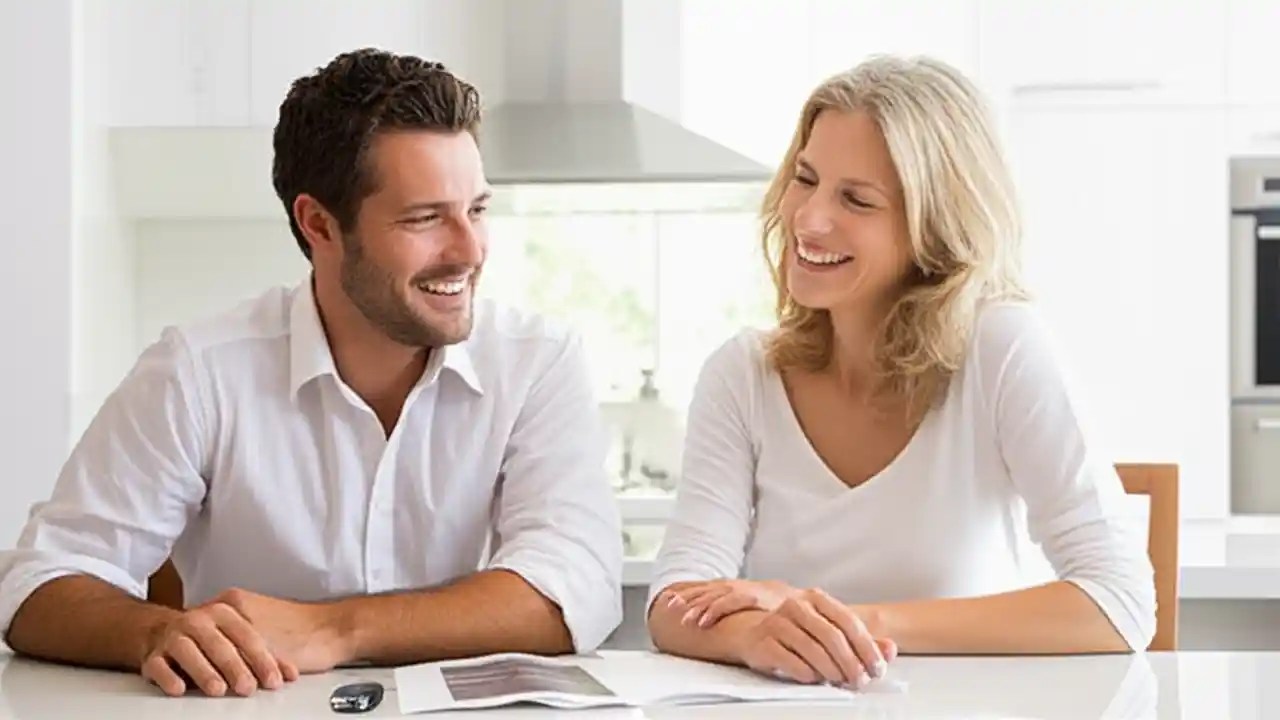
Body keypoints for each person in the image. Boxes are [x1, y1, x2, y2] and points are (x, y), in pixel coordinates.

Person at [0, 49, 623, 697]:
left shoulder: (536, 359)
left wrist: (333, 629)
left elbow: (574, 585)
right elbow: (38, 584)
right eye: (425, 218)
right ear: (319, 224)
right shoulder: (198, 371)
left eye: (477, 210)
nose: (469, 250)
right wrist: (154, 632)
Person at [646, 55, 1156, 689]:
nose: (808, 218)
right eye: (805, 179)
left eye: (856, 199)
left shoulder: (1001, 348)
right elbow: (673, 600)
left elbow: (1120, 604)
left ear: (934, 231)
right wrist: (752, 634)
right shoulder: (744, 374)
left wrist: (846, 624)